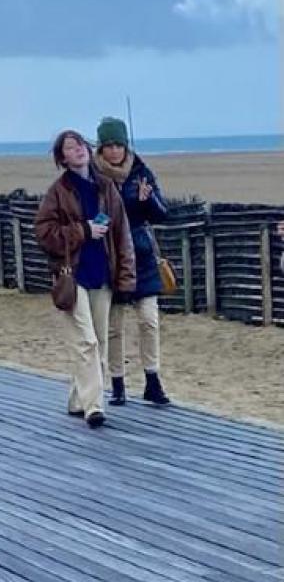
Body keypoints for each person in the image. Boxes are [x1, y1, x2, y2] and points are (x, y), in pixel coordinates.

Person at [35, 130, 135, 429]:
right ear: (62, 157)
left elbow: (122, 234)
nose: (78, 150)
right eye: (70, 147)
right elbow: (44, 234)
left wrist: (126, 279)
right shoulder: (58, 191)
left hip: (101, 273)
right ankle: (94, 407)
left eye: (80, 144)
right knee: (86, 342)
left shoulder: (106, 187)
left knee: (99, 342)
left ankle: (78, 399)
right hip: (72, 275)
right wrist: (83, 230)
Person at [94, 117, 171, 406]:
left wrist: (146, 200)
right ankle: (118, 384)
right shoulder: (94, 176)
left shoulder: (141, 172)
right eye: (109, 145)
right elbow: (93, 214)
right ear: (101, 148)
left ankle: (153, 380)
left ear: (126, 146)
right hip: (111, 257)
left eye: (119, 145)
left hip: (142, 256)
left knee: (149, 320)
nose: (114, 150)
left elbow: (162, 214)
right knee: (114, 326)